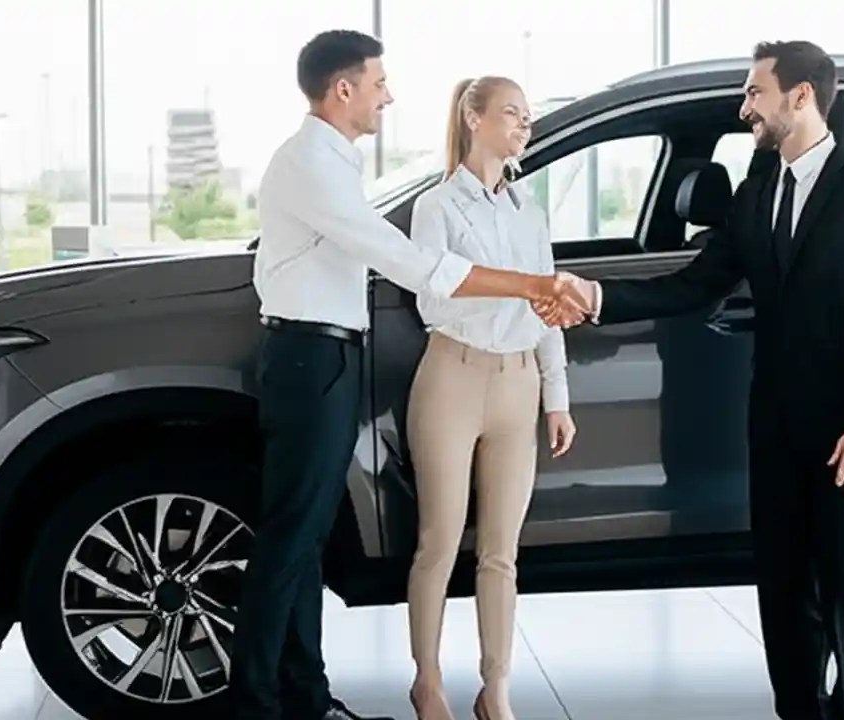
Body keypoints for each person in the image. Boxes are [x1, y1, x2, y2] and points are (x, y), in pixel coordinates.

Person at [230, 30, 590, 720]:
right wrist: (532, 284)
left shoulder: (332, 164)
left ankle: (306, 700)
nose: (387, 96)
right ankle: (255, 704)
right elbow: (413, 267)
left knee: (304, 539)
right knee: (290, 537)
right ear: (344, 89)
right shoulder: (314, 164)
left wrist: (539, 327)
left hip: (326, 356)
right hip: (311, 357)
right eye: (378, 83)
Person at [561, 40, 844, 720]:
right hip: (774, 424)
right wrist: (594, 295)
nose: (745, 106)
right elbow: (693, 286)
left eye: (755, 92)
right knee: (783, 590)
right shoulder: (756, 195)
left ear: (801, 96)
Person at [403, 76, 574, 720]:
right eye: (511, 113)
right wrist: (521, 286)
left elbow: (550, 308)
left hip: (517, 384)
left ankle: (495, 687)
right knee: (439, 542)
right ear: (473, 118)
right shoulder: (437, 207)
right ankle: (427, 682)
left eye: (528, 116)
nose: (524, 125)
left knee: (501, 551)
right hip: (452, 378)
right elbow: (431, 294)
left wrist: (556, 398)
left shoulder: (529, 212)